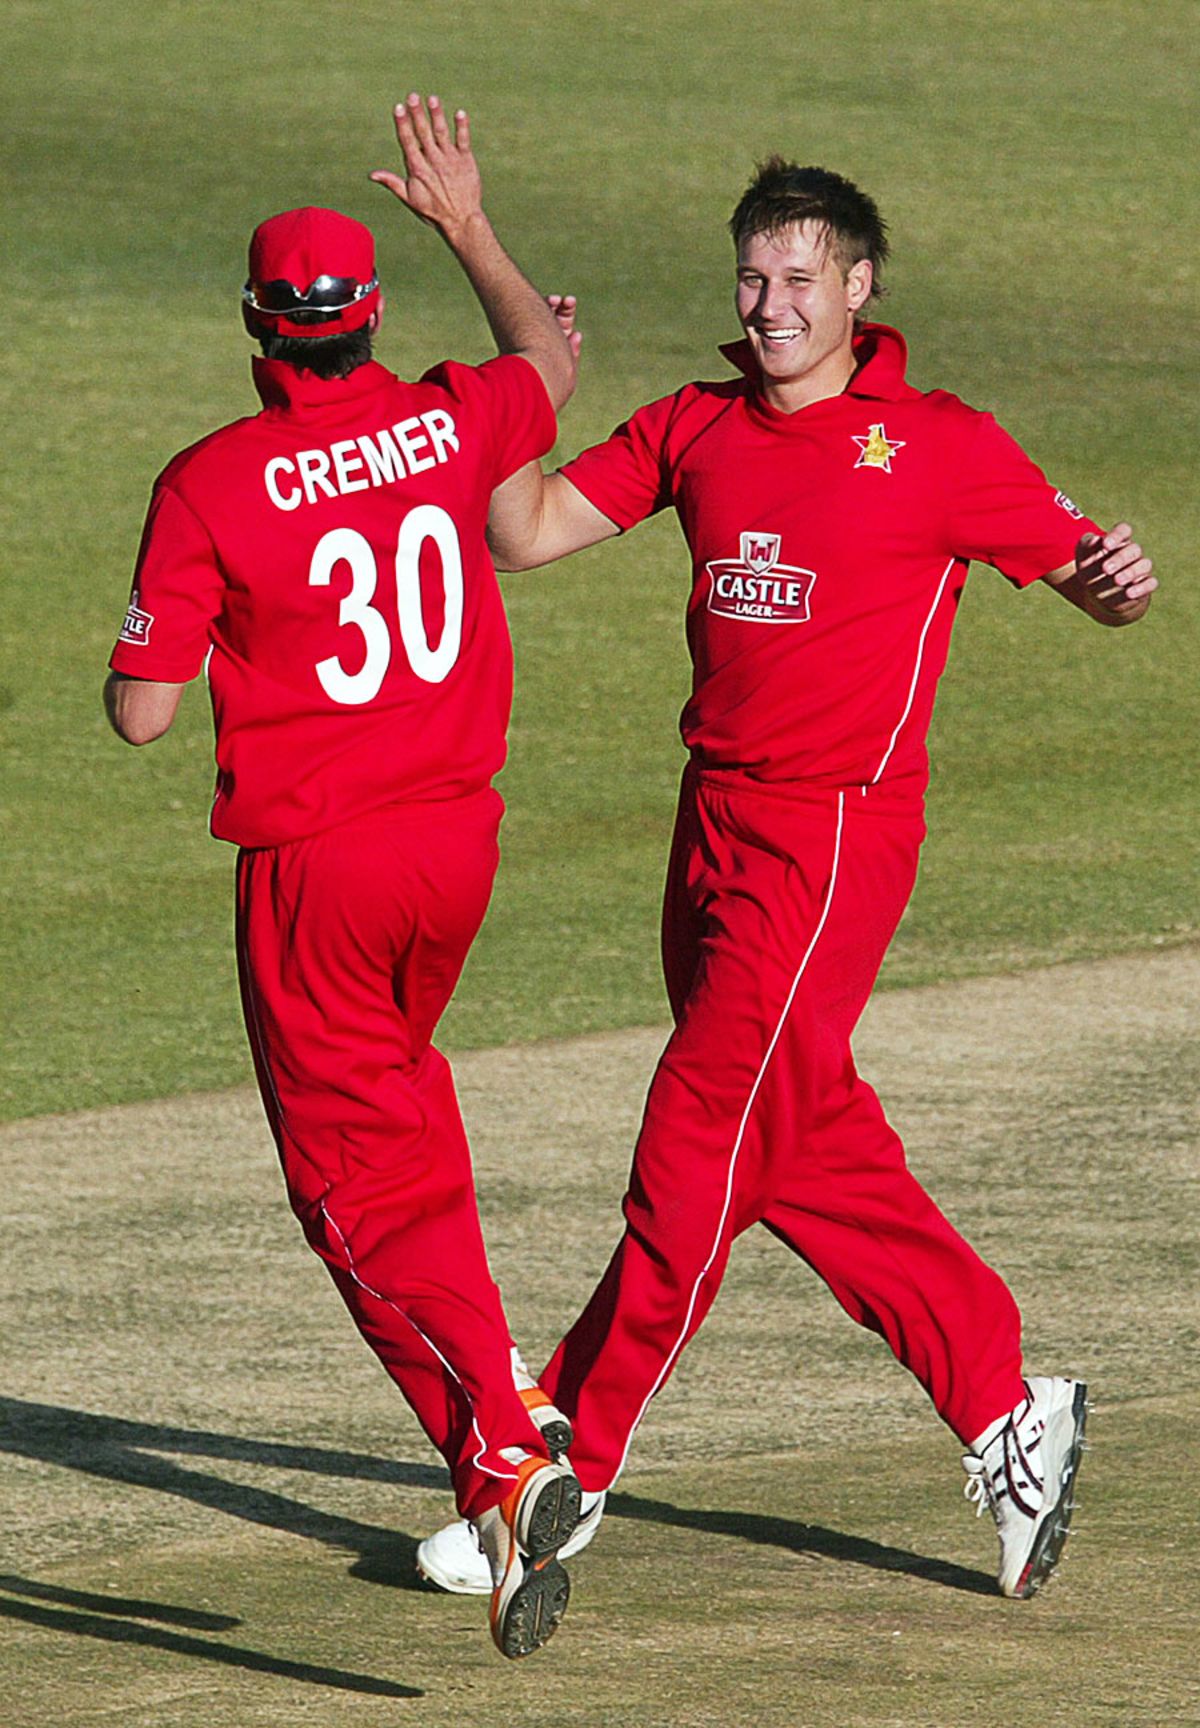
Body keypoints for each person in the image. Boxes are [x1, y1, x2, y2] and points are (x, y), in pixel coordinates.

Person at [415, 158, 1157, 1605]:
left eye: (800, 281)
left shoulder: (936, 443)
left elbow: (1088, 568)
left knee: (696, 1137)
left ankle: (560, 1456)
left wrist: (1114, 578)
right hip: (710, 832)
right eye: (753, 280)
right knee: (796, 1142)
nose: (769, 308)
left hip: (832, 846)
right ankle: (1010, 1407)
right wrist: (520, 386)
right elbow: (525, 531)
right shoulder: (698, 426)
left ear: (861, 287)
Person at [104, 94, 587, 1660]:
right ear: (366, 317)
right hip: (458, 847)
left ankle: (508, 1453)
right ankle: (495, 1441)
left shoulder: (212, 481)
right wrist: (473, 229)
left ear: (256, 326)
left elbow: (143, 713)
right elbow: (552, 363)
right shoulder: (449, 415)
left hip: (321, 865)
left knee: (348, 1193)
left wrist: (160, 642)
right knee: (408, 1118)